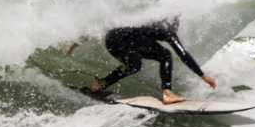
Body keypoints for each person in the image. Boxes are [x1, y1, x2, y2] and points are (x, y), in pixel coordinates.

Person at [68, 17, 216, 104]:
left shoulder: (148, 21)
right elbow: (182, 54)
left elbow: (100, 27)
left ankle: (100, 85)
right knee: (165, 55)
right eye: (176, 20)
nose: (177, 24)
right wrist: (203, 76)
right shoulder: (167, 29)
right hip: (126, 40)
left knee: (134, 65)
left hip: (112, 40)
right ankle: (168, 93)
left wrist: (77, 43)